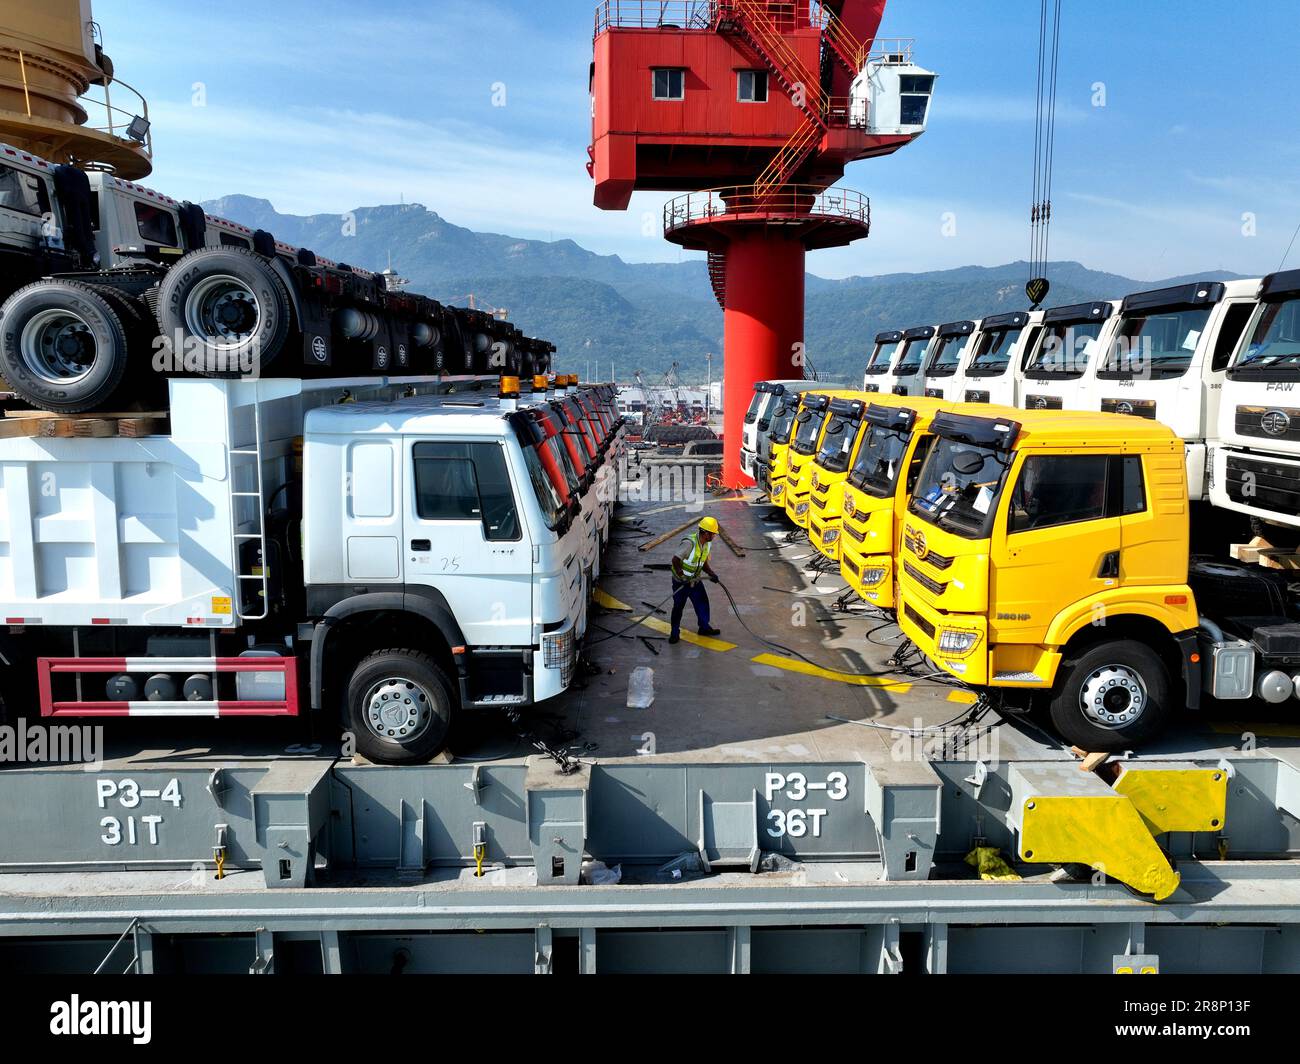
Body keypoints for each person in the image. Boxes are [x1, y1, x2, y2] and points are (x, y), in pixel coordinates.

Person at [669, 516, 723, 645]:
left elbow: (703, 561)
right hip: (681, 582)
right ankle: (674, 633)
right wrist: (682, 576)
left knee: (702, 604)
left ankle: (704, 628)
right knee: (678, 607)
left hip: (695, 581)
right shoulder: (689, 543)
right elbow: (675, 560)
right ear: (705, 533)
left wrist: (711, 573)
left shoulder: (707, 544)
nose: (714, 536)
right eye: (713, 534)